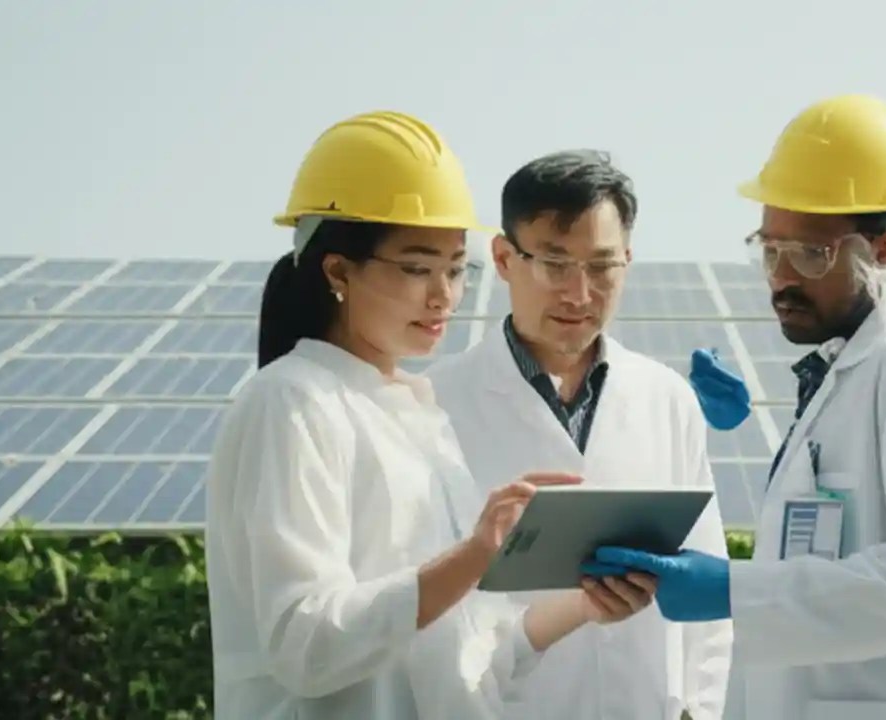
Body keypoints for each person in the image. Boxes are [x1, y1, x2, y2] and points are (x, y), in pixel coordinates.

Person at [203, 111, 658, 720]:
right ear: (337, 270)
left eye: (455, 269)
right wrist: (473, 556)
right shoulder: (290, 402)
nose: (443, 294)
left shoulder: (416, 412)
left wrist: (587, 602)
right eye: (417, 268)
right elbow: (304, 644)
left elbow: (471, 658)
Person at [586, 95, 886, 719]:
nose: (781, 277)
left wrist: (734, 590)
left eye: (811, 254)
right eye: (769, 249)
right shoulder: (841, 375)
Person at [426, 149, 734, 720]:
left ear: (628, 261)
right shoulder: (435, 407)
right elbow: (427, 605)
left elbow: (708, 590)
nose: (579, 293)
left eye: (601, 266)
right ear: (502, 257)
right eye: (554, 262)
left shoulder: (666, 398)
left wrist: (700, 708)